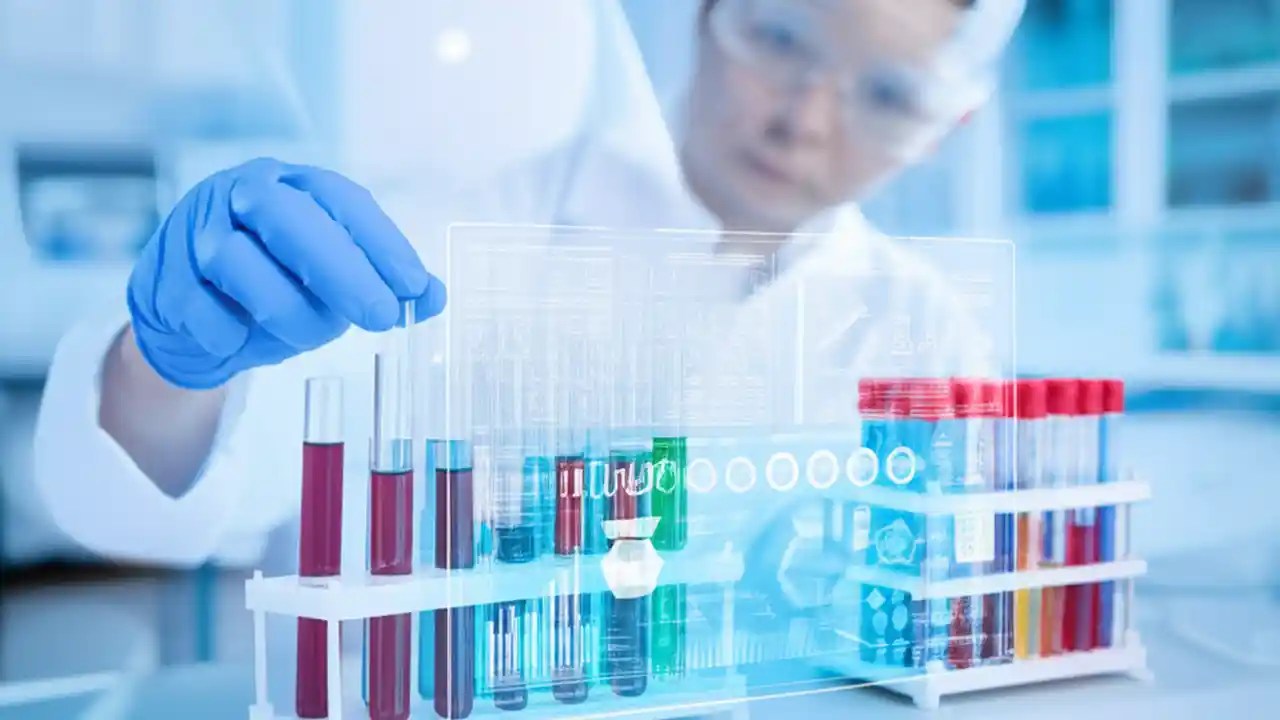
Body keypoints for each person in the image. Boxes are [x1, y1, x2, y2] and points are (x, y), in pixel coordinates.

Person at [30, 0, 1024, 576]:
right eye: (782, 40)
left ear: (943, 128)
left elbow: (950, 590)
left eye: (887, 96)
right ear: (714, 13)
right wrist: (167, 370)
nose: (803, 120)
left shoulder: (923, 328)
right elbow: (153, 501)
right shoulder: (455, 230)